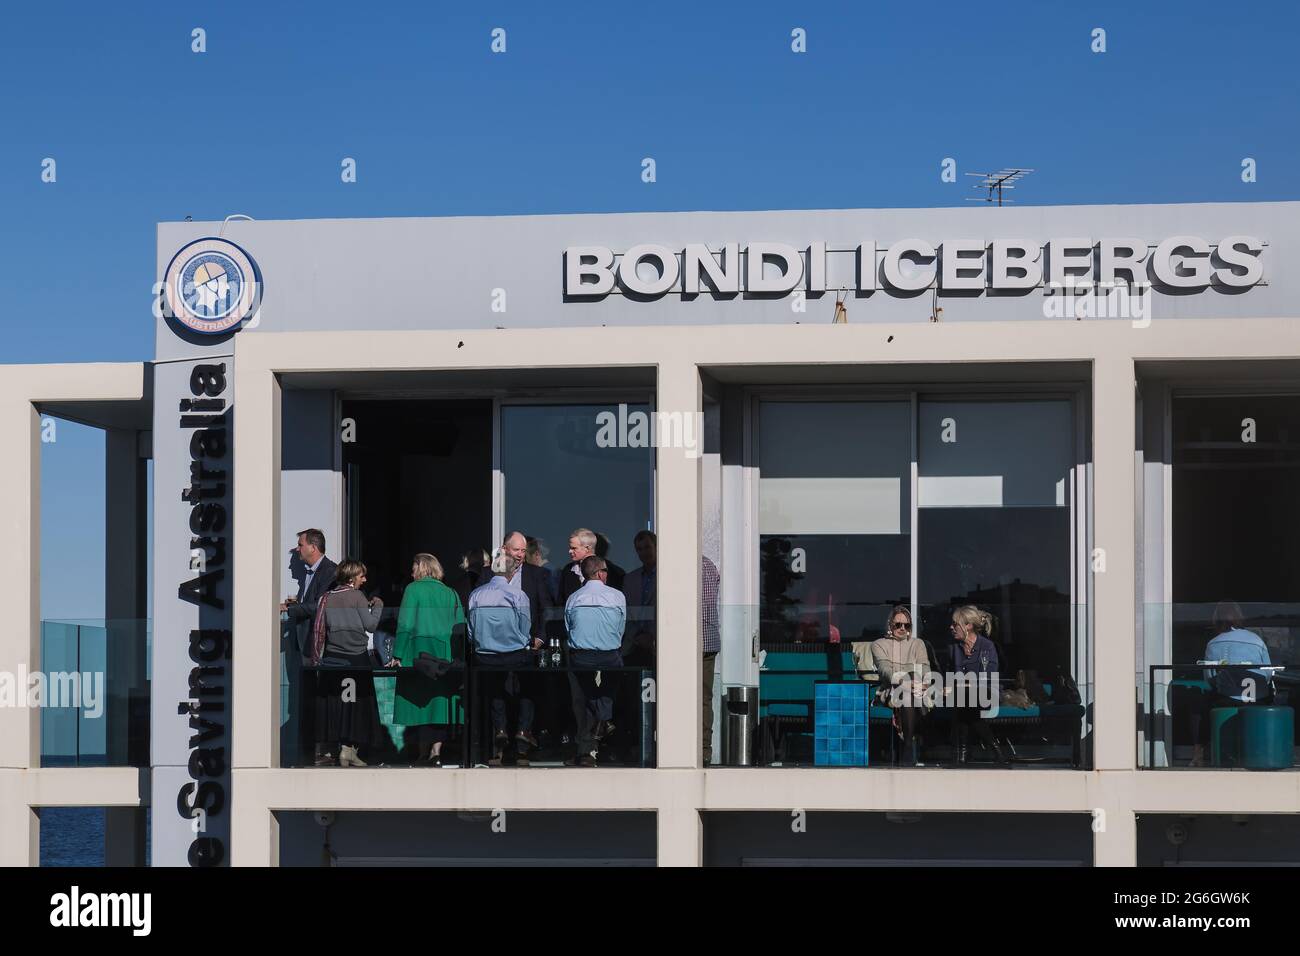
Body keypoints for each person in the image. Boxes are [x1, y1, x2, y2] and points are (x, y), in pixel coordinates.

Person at [389, 553, 465, 767]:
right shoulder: (450, 593)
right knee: (438, 703)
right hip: (444, 654)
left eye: (413, 568)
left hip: (417, 652)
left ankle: (423, 753)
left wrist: (397, 654)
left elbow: (405, 624)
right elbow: (460, 626)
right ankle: (436, 752)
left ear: (422, 568)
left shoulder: (413, 589)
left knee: (419, 703)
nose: (411, 573)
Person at [467, 551, 540, 766]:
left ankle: (499, 731)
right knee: (529, 688)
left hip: (485, 656)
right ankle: (522, 730)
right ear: (513, 571)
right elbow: (525, 628)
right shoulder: (518, 595)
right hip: (515, 655)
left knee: (494, 691)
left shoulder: (477, 595)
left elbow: (471, 630)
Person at [310, 559, 384, 767]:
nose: (365, 579)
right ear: (352, 578)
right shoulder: (357, 596)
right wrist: (377, 606)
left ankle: (340, 748)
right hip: (356, 659)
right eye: (362, 576)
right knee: (355, 704)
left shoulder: (326, 598)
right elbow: (370, 626)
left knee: (341, 702)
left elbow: (321, 630)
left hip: (333, 659)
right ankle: (348, 750)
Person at [1189, 601, 1274, 766]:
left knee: (1198, 706)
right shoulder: (1256, 640)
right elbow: (1268, 674)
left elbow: (1209, 679)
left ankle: (1198, 754)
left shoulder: (1213, 643)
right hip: (1258, 699)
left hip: (1225, 699)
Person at [564, 555, 626, 767]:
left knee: (586, 694)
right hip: (609, 655)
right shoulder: (617, 597)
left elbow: (568, 627)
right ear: (600, 573)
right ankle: (603, 719)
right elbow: (620, 630)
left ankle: (594, 732)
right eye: (606, 570)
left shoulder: (573, 598)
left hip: (580, 656)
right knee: (610, 683)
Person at [869, 605, 931, 766]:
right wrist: (905, 682)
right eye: (898, 625)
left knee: (910, 692)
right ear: (890, 625)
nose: (902, 628)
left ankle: (907, 746)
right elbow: (885, 671)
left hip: (917, 690)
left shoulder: (918, 644)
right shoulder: (879, 644)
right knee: (906, 691)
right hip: (891, 690)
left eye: (907, 625)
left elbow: (925, 670)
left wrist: (920, 683)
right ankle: (910, 746)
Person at [946, 605, 1007, 765]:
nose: (951, 627)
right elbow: (949, 676)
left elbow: (988, 677)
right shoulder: (953, 648)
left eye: (955, 624)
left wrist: (962, 685)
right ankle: (995, 750)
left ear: (968, 626)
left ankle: (962, 753)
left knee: (964, 700)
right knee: (964, 702)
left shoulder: (987, 646)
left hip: (988, 693)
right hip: (963, 697)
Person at [281, 529, 337, 655]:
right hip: (305, 643)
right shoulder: (309, 571)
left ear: (313, 547)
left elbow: (320, 605)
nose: (297, 549)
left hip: (319, 645)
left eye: (300, 545)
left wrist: (289, 607)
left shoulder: (330, 571)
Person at [622, 530, 657, 667]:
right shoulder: (630, 579)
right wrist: (637, 636)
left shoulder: (668, 575)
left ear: (656, 546)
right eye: (639, 549)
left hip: (659, 645)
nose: (644, 553)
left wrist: (652, 638)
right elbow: (626, 611)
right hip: (633, 645)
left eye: (647, 547)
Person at [701, 554, 721, 765]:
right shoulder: (707, 564)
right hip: (708, 640)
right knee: (704, 698)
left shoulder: (693, 565)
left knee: (700, 698)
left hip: (695, 640)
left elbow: (703, 605)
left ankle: (702, 749)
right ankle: (703, 749)